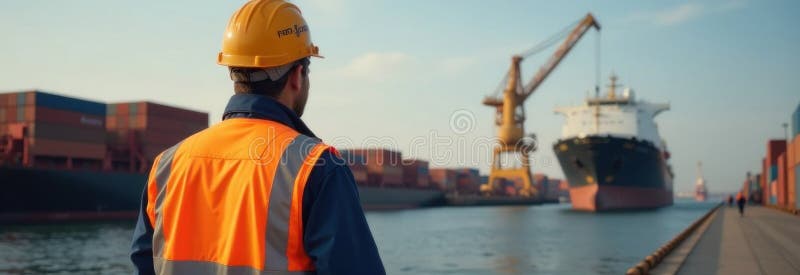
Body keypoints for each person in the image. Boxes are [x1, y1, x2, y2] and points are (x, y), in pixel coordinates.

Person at [129, 0, 385, 274]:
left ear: (233, 71)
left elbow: (144, 263)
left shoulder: (166, 164)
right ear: (298, 75)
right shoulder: (318, 168)